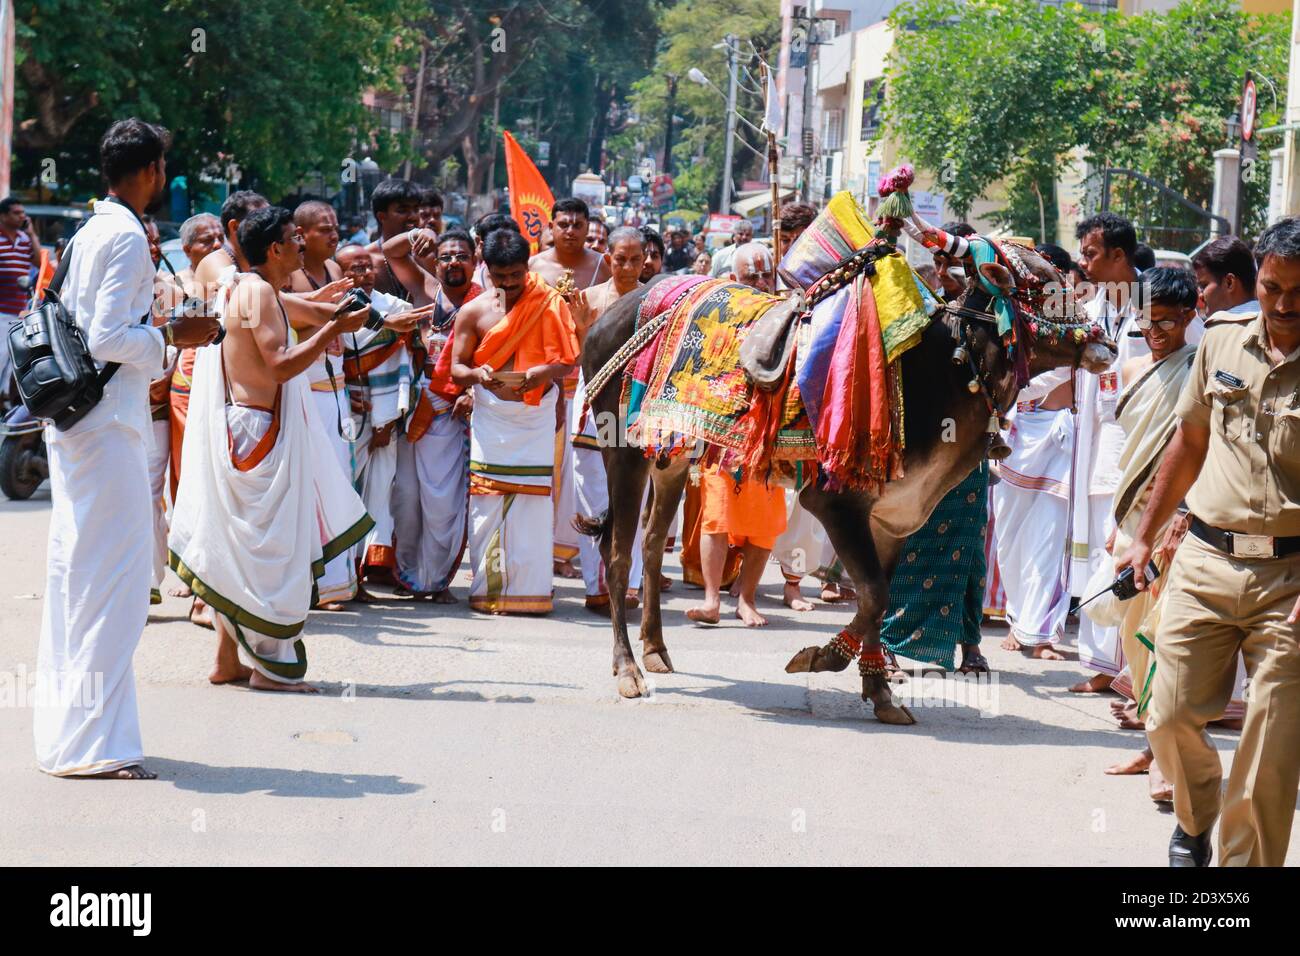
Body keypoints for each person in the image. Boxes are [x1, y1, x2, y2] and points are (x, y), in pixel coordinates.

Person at [34, 119, 220, 779]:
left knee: (79, 577)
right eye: (163, 166)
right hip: (105, 427)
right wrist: (174, 340)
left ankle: (73, 736)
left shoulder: (90, 228)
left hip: (80, 422)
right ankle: (93, 746)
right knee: (109, 587)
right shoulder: (120, 236)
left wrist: (162, 333)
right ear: (149, 171)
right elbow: (111, 336)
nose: (164, 178)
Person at [1116, 216, 1300, 868]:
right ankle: (1195, 820)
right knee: (1166, 714)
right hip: (1204, 557)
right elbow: (1189, 442)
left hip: (1291, 580)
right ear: (1259, 282)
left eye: (1297, 293)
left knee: (1271, 752)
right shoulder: (1221, 342)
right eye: (1274, 288)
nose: (1283, 305)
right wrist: (1143, 539)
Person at [169, 206, 371, 693]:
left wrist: (343, 314)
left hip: (251, 428)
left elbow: (304, 311)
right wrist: (331, 332)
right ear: (275, 249)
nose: (303, 245)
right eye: (293, 239)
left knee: (239, 553)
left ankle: (226, 660)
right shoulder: (257, 291)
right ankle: (270, 669)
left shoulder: (257, 288)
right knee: (268, 555)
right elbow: (280, 365)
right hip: (258, 431)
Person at [1096, 268, 1197, 802]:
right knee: (1132, 635)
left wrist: (1183, 512)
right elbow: (1126, 450)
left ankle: (1164, 759)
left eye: (1166, 321)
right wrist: (1118, 524)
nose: (1155, 330)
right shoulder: (1131, 367)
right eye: (1146, 319)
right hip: (1130, 523)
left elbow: (1197, 452)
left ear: (1190, 317)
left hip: (1175, 524)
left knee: (1164, 636)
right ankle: (1150, 743)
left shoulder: (1199, 369)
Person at [452, 229, 580, 614]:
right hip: (493, 415)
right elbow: (458, 368)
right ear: (485, 269)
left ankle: (532, 591)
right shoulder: (473, 311)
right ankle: (489, 589)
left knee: (533, 503)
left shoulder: (549, 303)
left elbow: (569, 358)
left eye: (515, 275)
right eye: (499, 276)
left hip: (535, 413)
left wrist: (543, 372)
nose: (508, 284)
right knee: (488, 501)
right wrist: (478, 376)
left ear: (528, 266)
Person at [686, 242, 787, 627]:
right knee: (717, 515)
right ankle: (711, 600)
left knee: (764, 520)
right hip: (724, 430)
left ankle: (747, 598)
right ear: (733, 280)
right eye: (752, 276)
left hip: (768, 433)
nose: (761, 282)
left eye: (766, 275)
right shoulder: (719, 316)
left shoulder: (788, 314)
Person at [1070, 212, 1142, 691]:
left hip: (1140, 447)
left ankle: (1132, 669)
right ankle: (1099, 665)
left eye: (1092, 253)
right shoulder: (1092, 309)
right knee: (1100, 548)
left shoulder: (1161, 304)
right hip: (1098, 444)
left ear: (1119, 256)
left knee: (1130, 553)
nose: (1084, 263)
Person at [394, 229, 482, 601]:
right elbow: (392, 254)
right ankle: (411, 575)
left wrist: (473, 391)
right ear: (435, 261)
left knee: (442, 502)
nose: (453, 263)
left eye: (461, 256)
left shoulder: (486, 304)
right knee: (407, 497)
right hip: (412, 407)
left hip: (449, 411)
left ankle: (436, 578)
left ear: (475, 262)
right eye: (445, 256)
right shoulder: (427, 291)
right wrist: (419, 234)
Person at [287, 199, 365, 608]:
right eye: (324, 228)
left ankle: (341, 579)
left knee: (339, 481)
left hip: (336, 392)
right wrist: (323, 310)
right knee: (313, 486)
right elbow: (288, 324)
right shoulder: (290, 277)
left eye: (335, 226)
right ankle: (313, 585)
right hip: (307, 389)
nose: (334, 234)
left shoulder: (334, 269)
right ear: (300, 235)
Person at [335, 243, 427, 582]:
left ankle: (374, 565)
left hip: (385, 412)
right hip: (344, 410)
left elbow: (405, 362)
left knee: (382, 490)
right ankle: (345, 570)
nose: (364, 275)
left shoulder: (396, 307)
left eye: (367, 267)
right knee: (346, 488)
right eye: (354, 269)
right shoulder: (331, 309)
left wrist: (386, 419)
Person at [529, 198, 610, 576]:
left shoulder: (600, 266)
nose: (571, 230)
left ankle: (563, 553)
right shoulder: (535, 266)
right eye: (564, 223)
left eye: (578, 224)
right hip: (543, 375)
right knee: (543, 463)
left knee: (576, 466)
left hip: (586, 376)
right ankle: (532, 547)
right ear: (552, 225)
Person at [570, 226, 646, 612]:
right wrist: (583, 327)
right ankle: (596, 586)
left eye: (635, 259)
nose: (628, 267)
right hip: (594, 402)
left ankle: (629, 583)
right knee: (593, 492)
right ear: (608, 259)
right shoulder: (589, 299)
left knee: (634, 491)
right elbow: (573, 357)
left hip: (636, 404)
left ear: (645, 259)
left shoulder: (654, 302)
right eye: (620, 259)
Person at [994, 366, 1076, 659]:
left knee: (1049, 540)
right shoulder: (1014, 322)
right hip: (1016, 437)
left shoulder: (1083, 320)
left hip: (1058, 440)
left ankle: (1042, 635)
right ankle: (1018, 620)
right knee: (1009, 542)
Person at [0, 196, 43, 392]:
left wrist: (32, 234)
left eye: (23, 213)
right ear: (3, 216)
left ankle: (5, 403)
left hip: (19, 311)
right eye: (16, 213)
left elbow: (39, 264)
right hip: (1, 310)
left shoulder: (24, 239)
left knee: (12, 362)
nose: (22, 216)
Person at [366, 178, 423, 298]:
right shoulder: (366, 259)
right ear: (382, 216)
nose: (413, 216)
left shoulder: (427, 257)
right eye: (402, 210)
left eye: (416, 209)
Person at [1192, 236, 1258, 321]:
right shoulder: (1273, 324)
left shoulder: (1220, 329)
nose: (1200, 295)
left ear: (1229, 282)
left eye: (1204, 286)